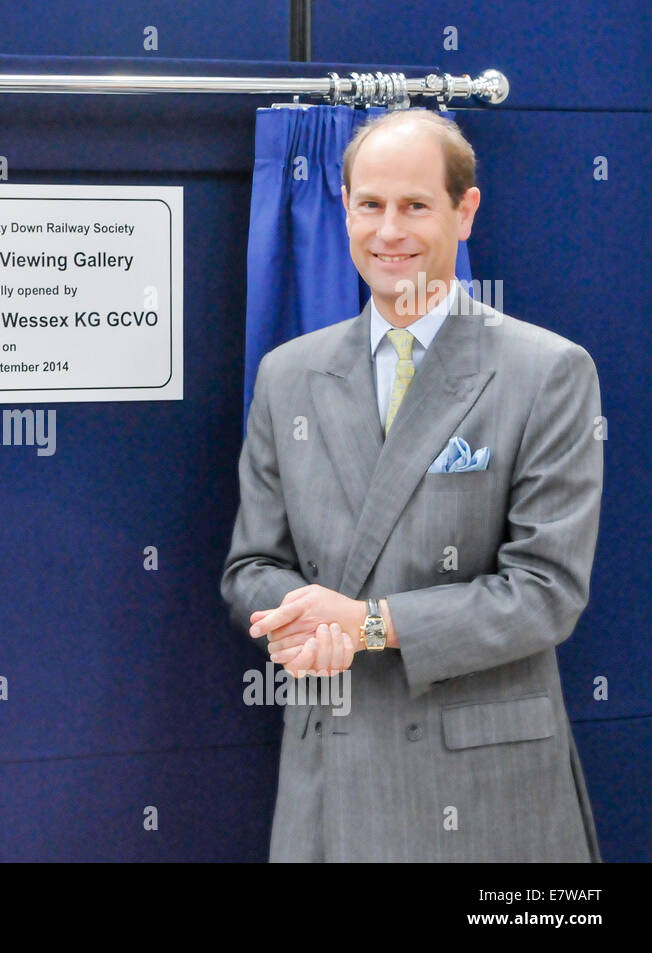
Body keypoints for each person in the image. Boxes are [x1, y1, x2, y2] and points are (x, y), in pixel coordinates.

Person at [221, 109, 603, 862]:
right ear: (345, 209)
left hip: (486, 790)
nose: (388, 230)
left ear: (465, 212)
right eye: (370, 204)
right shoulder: (288, 374)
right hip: (330, 772)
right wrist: (298, 621)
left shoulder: (547, 371)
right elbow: (250, 568)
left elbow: (546, 592)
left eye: (415, 206)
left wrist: (364, 625)